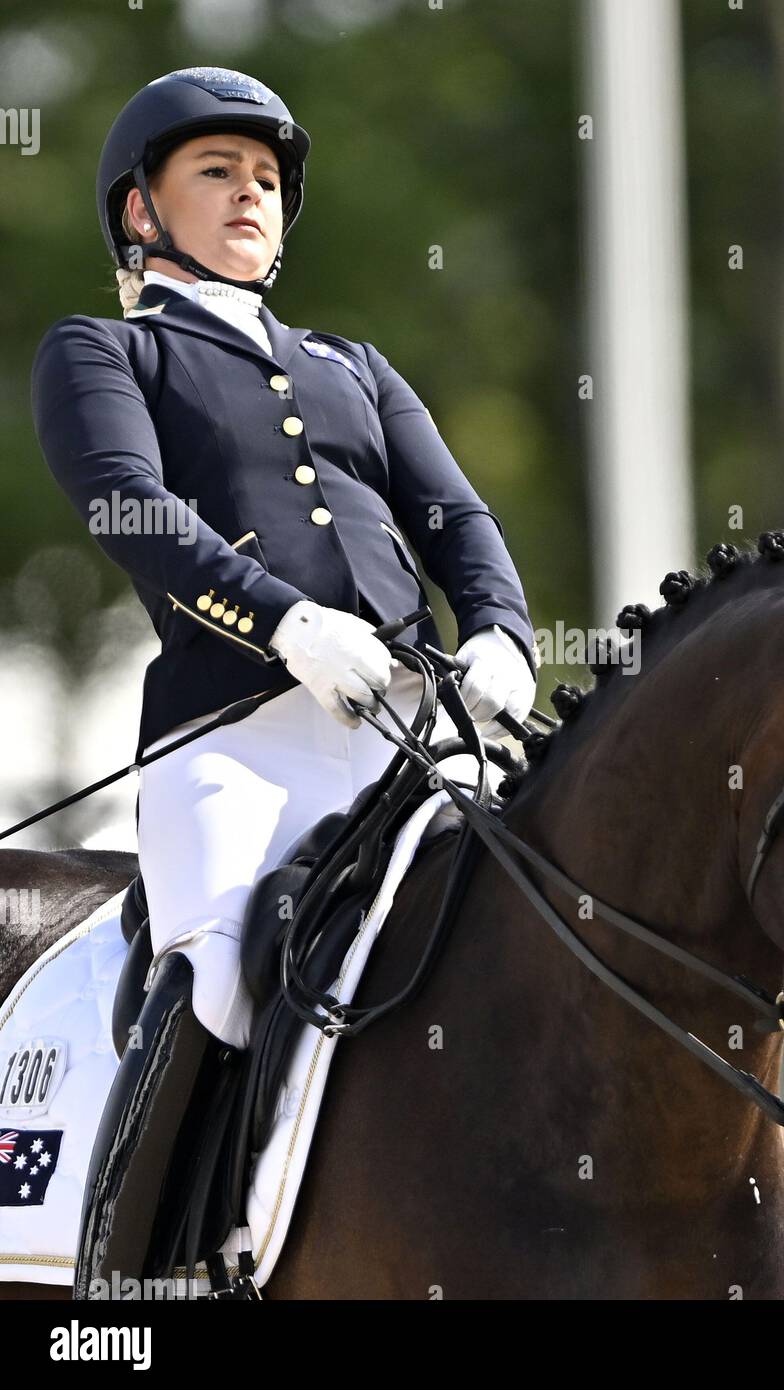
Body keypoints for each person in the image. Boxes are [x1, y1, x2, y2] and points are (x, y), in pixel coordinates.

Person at [30, 66, 538, 1293]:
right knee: (219, 967)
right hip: (239, 737)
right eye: (218, 171)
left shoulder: (353, 366)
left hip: (417, 734)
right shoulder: (106, 351)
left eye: (265, 178)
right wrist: (287, 620)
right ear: (143, 211)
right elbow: (129, 506)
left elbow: (455, 517)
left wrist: (506, 635)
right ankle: (135, 1284)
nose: (253, 193)